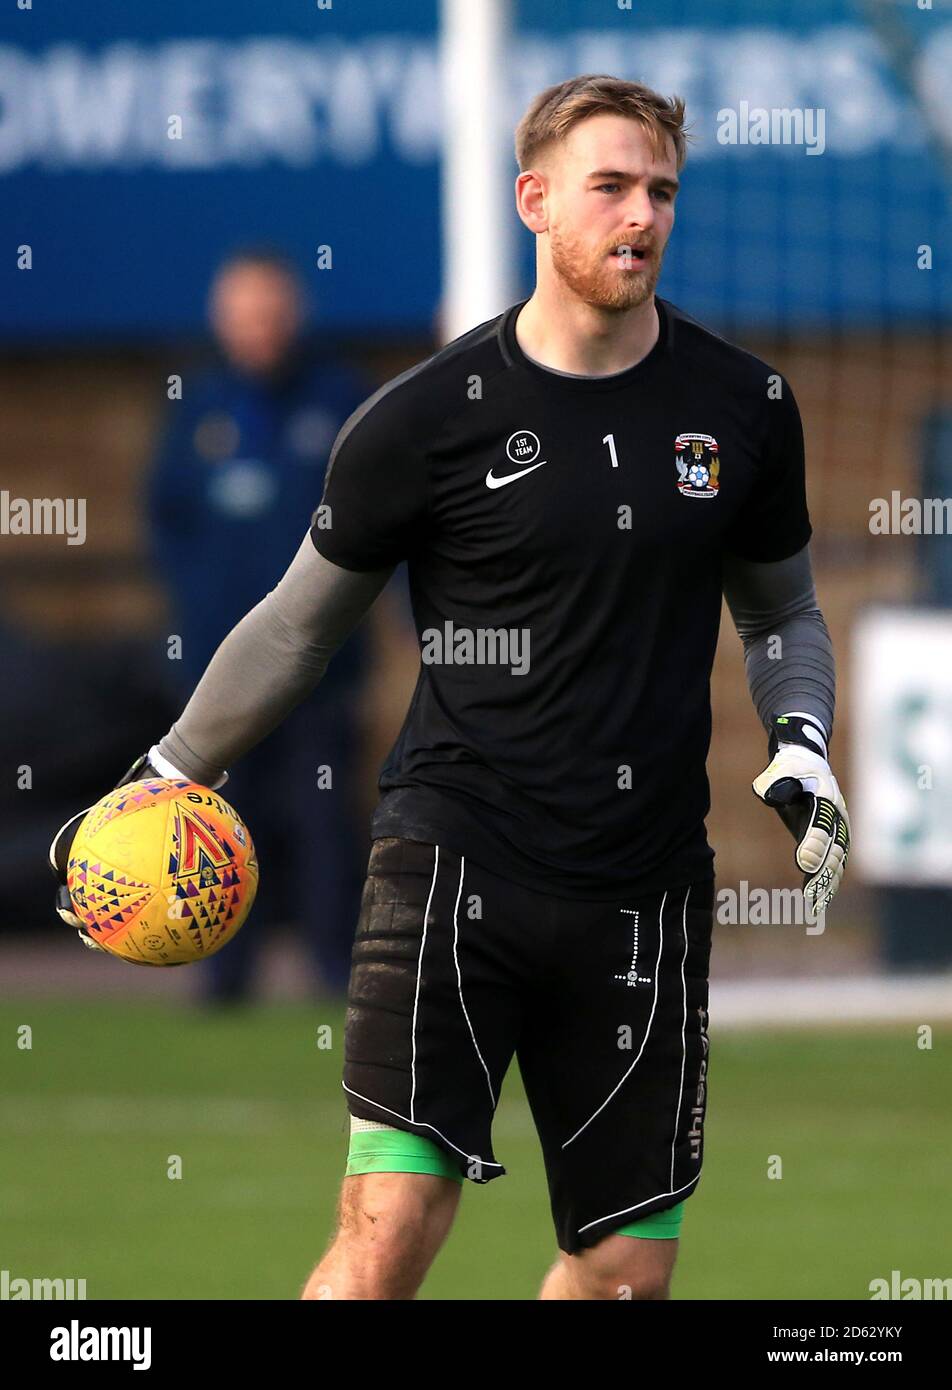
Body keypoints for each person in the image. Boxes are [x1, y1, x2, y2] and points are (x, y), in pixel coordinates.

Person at [53, 77, 849, 1297]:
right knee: (388, 1229)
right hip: (455, 858)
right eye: (612, 187)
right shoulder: (420, 420)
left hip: (644, 885)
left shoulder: (742, 406)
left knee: (624, 1272)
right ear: (534, 200)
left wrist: (802, 734)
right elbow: (297, 624)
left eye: (661, 190)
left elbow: (782, 606)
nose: (642, 213)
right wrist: (169, 768)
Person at [147, 249, 374, 999]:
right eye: (244, 312)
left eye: (271, 310)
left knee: (321, 821)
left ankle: (335, 976)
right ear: (223, 318)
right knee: (212, 826)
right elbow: (167, 518)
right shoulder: (198, 405)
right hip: (219, 671)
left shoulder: (340, 399)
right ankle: (221, 979)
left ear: (295, 312)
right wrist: (194, 610)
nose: (259, 327)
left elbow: (380, 523)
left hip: (322, 669)